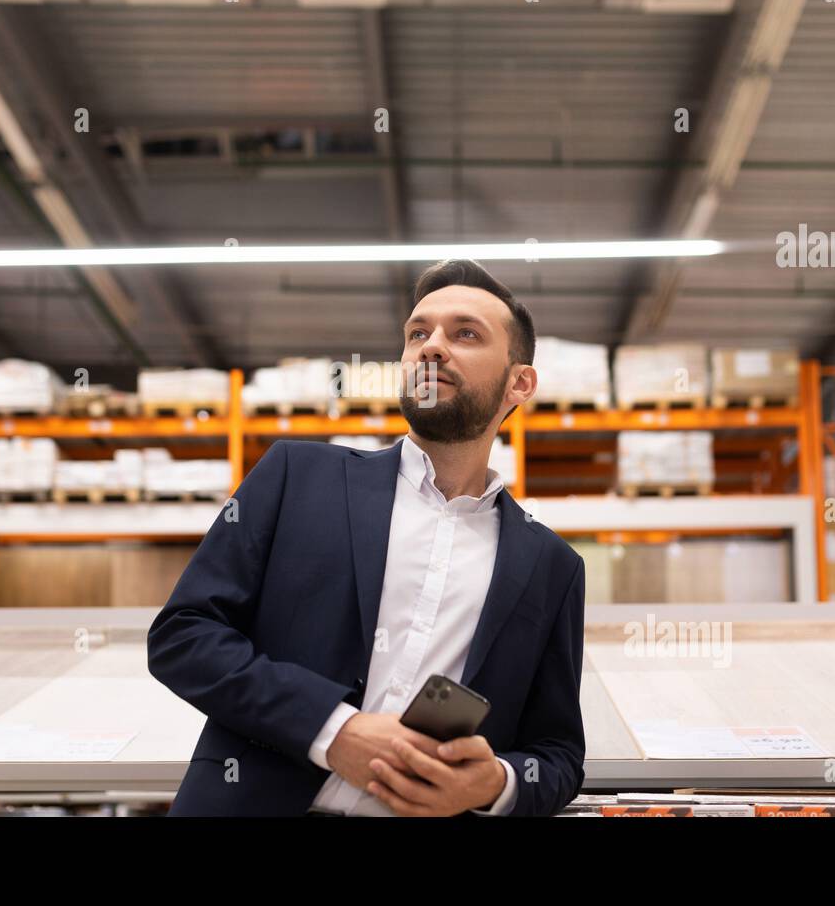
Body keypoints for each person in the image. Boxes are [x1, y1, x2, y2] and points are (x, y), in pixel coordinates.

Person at [147, 259, 586, 816]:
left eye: (466, 334)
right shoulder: (295, 477)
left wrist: (494, 783)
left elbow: (559, 755)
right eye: (417, 333)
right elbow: (184, 636)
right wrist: (335, 731)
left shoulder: (551, 565)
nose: (432, 347)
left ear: (518, 383)